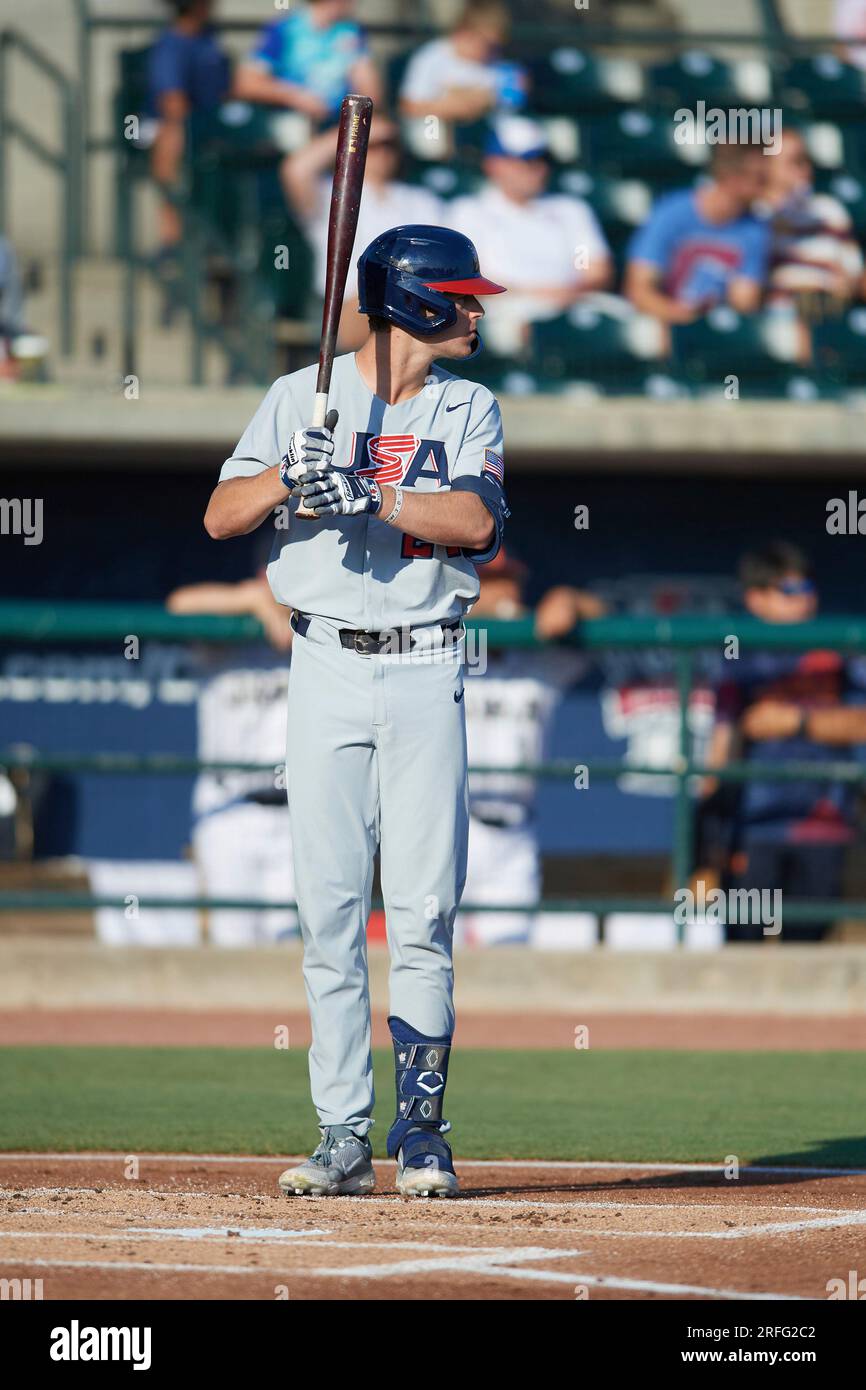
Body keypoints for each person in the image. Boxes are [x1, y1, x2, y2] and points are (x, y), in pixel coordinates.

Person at [204, 224, 509, 1198]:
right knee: (329, 908)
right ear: (411, 300)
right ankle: (341, 1132)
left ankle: (421, 1132)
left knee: (422, 909)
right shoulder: (300, 396)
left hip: (426, 662)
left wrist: (370, 490)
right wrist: (288, 476)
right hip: (324, 660)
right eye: (458, 296)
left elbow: (475, 523)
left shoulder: (469, 405)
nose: (474, 311)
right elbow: (221, 515)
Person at [705, 542, 866, 942]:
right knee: (742, 948)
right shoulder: (739, 655)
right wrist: (705, 851)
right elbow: (719, 753)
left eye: (809, 587)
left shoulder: (840, 648)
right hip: (753, 828)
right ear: (756, 598)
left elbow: (861, 723)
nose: (805, 598)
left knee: (808, 950)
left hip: (823, 822)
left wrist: (796, 721)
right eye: (790, 590)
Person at [460, 548, 604, 945]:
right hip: (451, 829)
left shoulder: (538, 662)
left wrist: (570, 600)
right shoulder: (439, 651)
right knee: (432, 963)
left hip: (515, 833)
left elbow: (604, 616)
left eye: (512, 581)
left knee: (509, 963)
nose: (507, 592)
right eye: (492, 582)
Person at [166, 573, 297, 947]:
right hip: (230, 807)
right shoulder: (225, 632)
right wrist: (254, 602)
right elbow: (179, 605)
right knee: (232, 943)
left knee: (294, 947)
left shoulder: (320, 628)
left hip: (296, 812)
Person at [449, 115, 613, 353]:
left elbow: (598, 272)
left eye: (542, 160)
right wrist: (539, 295)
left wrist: (566, 294)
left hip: (573, 302)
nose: (538, 169)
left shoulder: (572, 209)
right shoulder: (468, 211)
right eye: (526, 161)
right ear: (494, 164)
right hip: (505, 309)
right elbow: (468, 282)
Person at [282, 117, 444, 350]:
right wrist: (355, 131)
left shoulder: (422, 200)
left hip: (412, 296)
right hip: (348, 302)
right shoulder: (332, 193)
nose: (382, 153)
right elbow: (295, 170)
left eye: (389, 145)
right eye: (372, 145)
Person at [625, 145, 771, 340]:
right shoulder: (670, 213)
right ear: (732, 177)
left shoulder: (756, 230)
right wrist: (682, 318)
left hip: (716, 334)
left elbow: (744, 302)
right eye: (760, 179)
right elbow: (639, 290)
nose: (768, 185)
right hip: (663, 325)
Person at [761, 126, 863, 347]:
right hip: (777, 321)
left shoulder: (828, 209)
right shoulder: (754, 215)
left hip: (832, 316)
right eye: (794, 161)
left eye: (806, 160)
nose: (805, 169)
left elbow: (855, 275)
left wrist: (850, 284)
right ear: (766, 166)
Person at [147, 0, 231, 257]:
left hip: (210, 123)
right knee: (174, 134)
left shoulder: (209, 40)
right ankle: (171, 240)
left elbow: (227, 92)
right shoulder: (171, 45)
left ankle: (222, 242)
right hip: (160, 126)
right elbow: (172, 103)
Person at [234, 0, 381, 126]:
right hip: (291, 119)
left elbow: (370, 96)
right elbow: (247, 83)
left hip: (339, 121)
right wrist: (297, 97)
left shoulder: (351, 31)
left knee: (377, 132)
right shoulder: (285, 27)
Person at [399, 0, 528, 128]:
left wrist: (488, 100)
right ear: (464, 33)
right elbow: (410, 107)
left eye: (495, 46)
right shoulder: (431, 57)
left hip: (487, 130)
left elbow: (512, 101)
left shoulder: (500, 64)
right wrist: (456, 105)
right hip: (439, 128)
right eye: (486, 44)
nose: (491, 52)